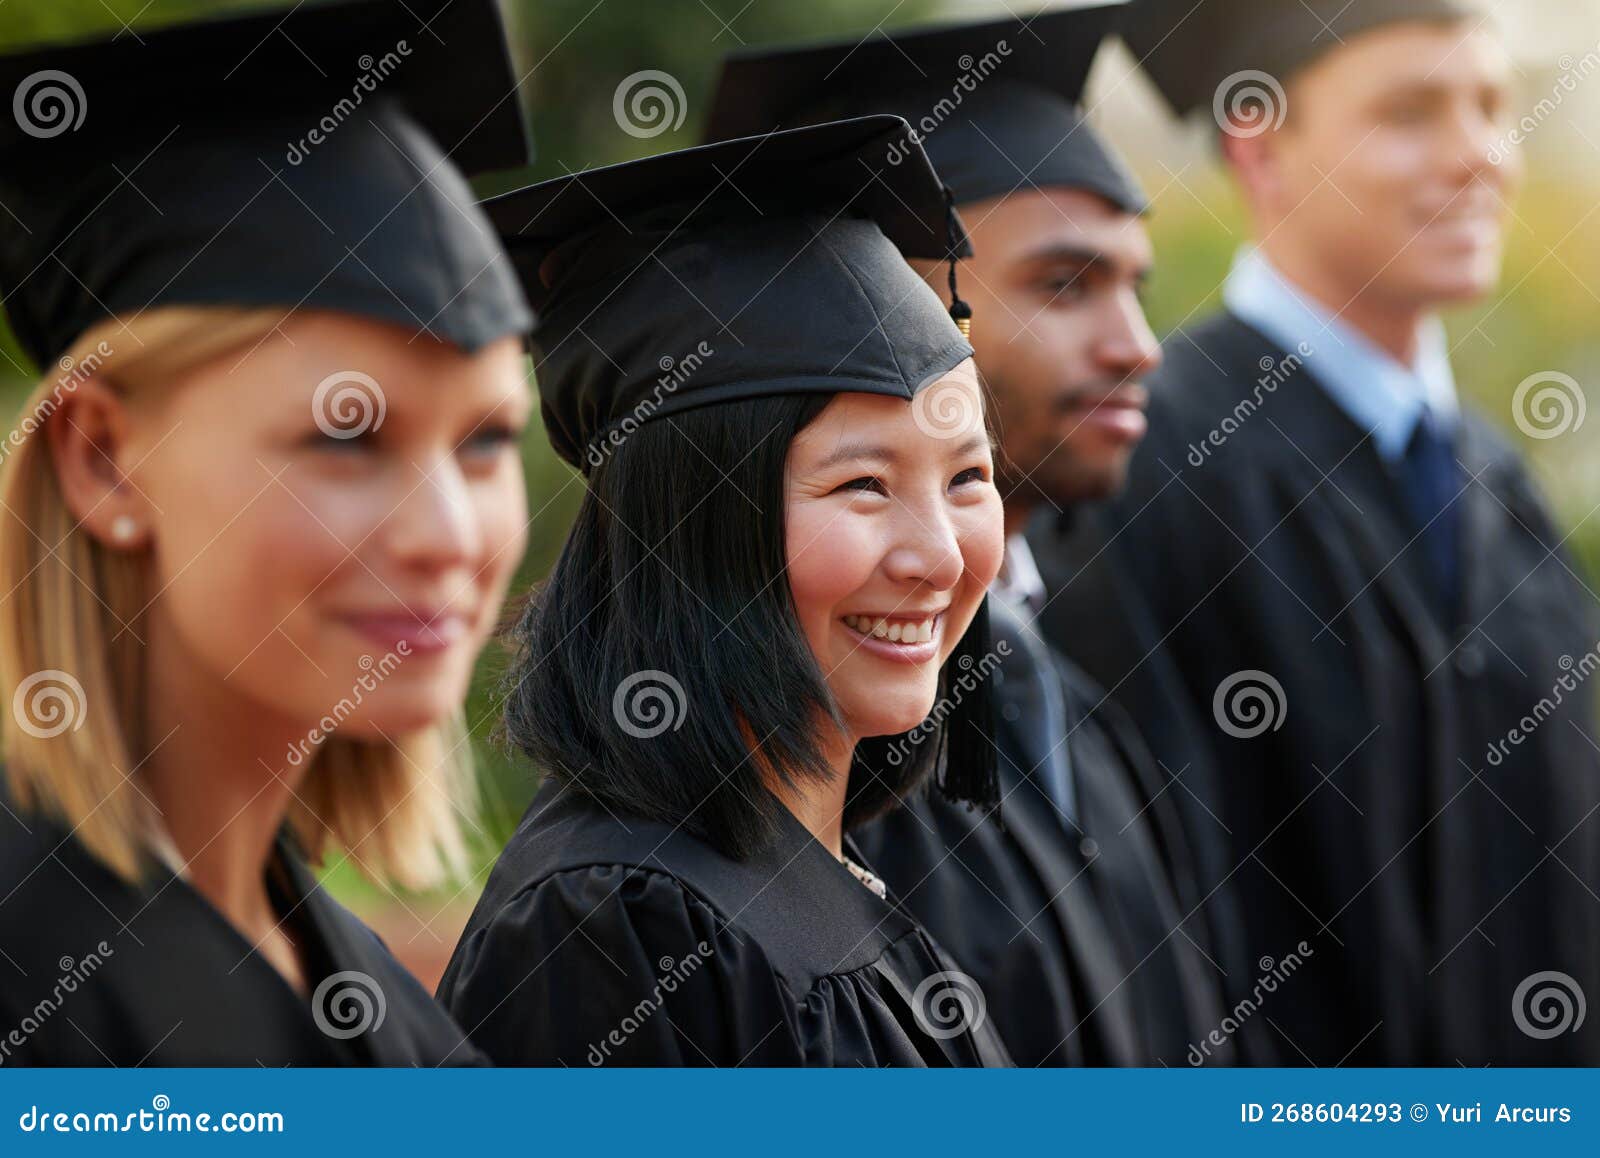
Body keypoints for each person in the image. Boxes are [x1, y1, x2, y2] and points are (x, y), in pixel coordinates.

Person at [1043, 0, 1600, 1064]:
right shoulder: (1158, 464)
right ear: (1259, 143)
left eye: (1492, 107)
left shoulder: (1496, 477)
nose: (1477, 154)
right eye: (1409, 113)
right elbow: (1153, 908)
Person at [0, 0, 534, 1066]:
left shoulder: (396, 1024)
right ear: (102, 459)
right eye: (347, 440)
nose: (447, 537)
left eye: (484, 444)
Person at [704, 5, 1235, 1065]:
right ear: (891, 303)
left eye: (1138, 288)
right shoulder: (813, 753)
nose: (1138, 348)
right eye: (1065, 283)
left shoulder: (1079, 708)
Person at [437, 117, 1012, 1067]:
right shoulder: (621, 929)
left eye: (967, 479)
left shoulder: (817, 872)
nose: (942, 557)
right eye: (863, 485)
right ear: (689, 525)